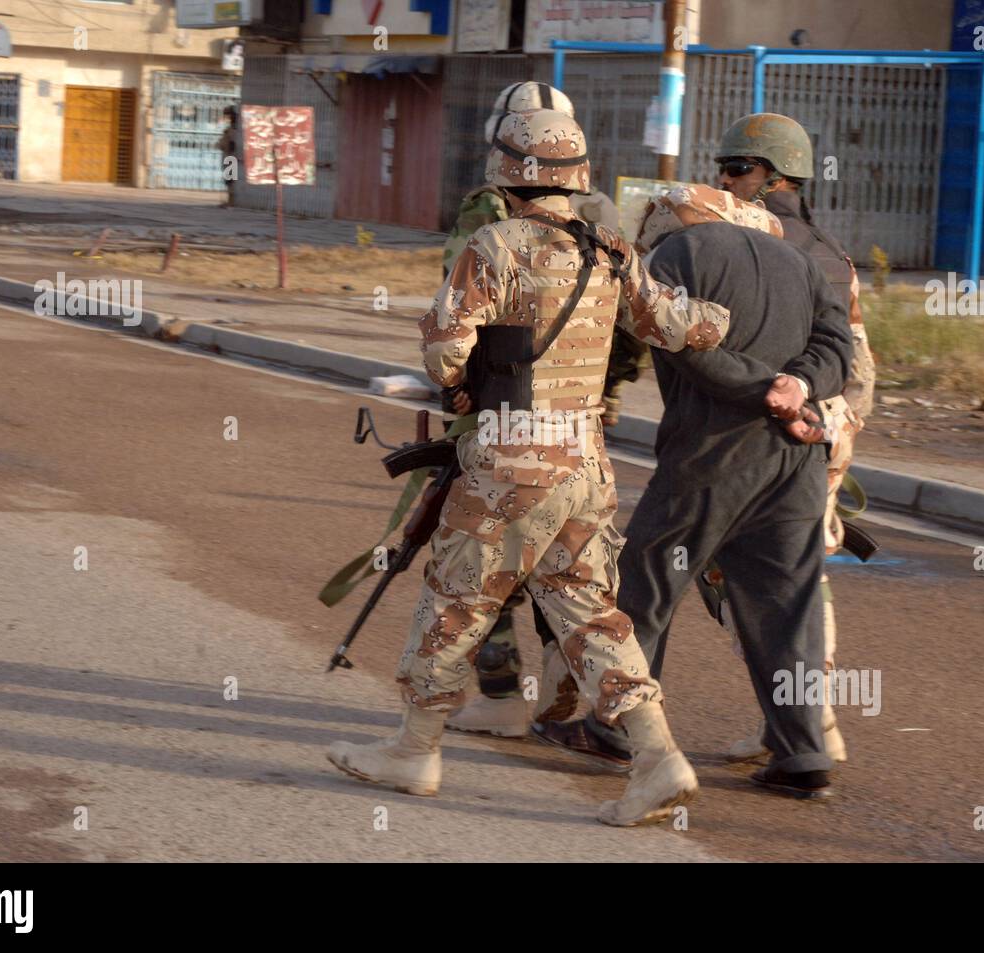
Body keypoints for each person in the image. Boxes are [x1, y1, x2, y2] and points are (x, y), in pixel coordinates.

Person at [326, 109, 731, 826]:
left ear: (507, 175)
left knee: (456, 599)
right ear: (575, 178)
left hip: (510, 460)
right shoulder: (609, 250)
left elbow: (444, 353)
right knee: (586, 607)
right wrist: (740, 308)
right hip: (585, 460)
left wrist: (458, 379)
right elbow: (679, 325)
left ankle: (415, 750)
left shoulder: (492, 245)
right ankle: (658, 754)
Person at [535, 183, 853, 798]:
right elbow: (837, 347)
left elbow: (687, 348)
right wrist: (798, 386)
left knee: (643, 584)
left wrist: (764, 389)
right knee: (789, 609)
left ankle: (616, 731)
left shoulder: (676, 258)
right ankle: (804, 755)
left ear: (664, 225)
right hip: (797, 461)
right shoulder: (801, 262)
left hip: (713, 458)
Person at [438, 81, 631, 740]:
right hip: (581, 415)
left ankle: (497, 694)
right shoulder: (605, 218)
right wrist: (607, 395)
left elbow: (458, 312)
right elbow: (634, 323)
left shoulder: (487, 213)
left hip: (500, 409)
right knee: (571, 555)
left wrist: (455, 390)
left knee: (480, 560)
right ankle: (569, 676)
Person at [714, 112, 877, 764]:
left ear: (773, 176)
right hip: (824, 427)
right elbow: (861, 367)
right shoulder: (833, 253)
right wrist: (839, 432)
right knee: (797, 571)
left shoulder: (746, 244)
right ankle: (798, 720)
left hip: (766, 431)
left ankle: (807, 722)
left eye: (735, 169)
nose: (722, 180)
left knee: (752, 574)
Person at [218, 106, 240, 208]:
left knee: (231, 180)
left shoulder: (234, 130)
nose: (228, 118)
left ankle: (231, 201)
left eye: (229, 116)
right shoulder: (230, 129)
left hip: (232, 157)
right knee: (229, 180)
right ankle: (230, 201)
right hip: (229, 157)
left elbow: (229, 144)